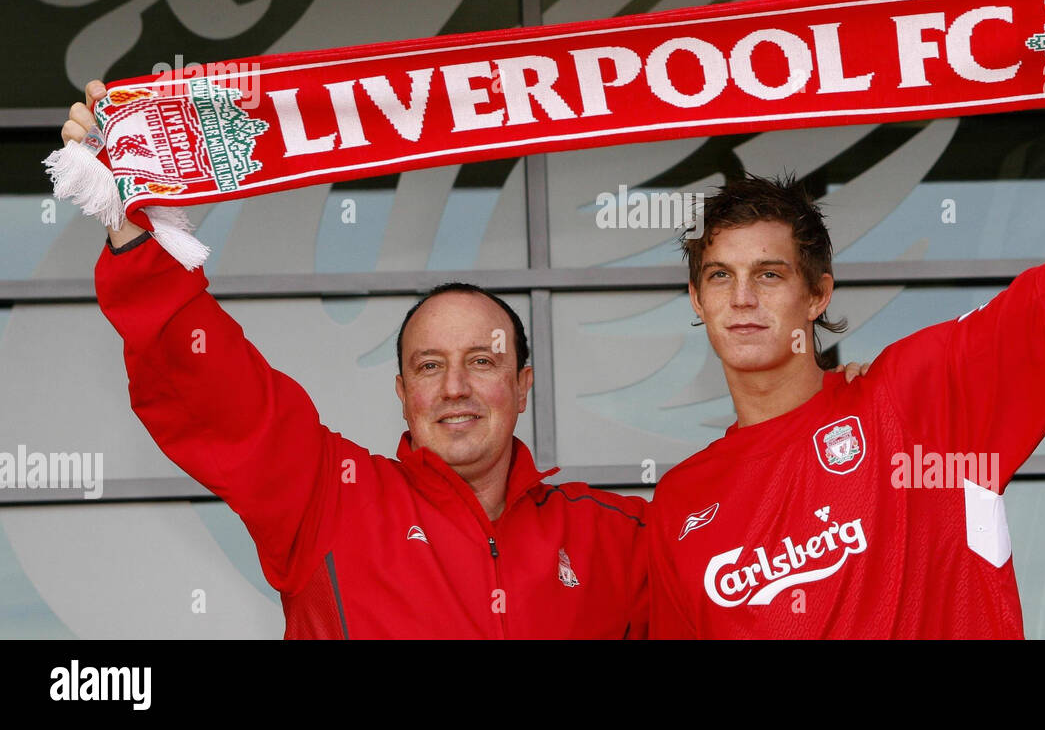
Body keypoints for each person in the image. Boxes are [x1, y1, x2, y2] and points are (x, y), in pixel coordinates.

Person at [644, 0, 1045, 638]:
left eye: (769, 275)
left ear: (817, 294)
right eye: (719, 276)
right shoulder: (682, 502)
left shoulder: (920, 396)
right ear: (695, 297)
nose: (741, 297)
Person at [66, 87, 647, 639]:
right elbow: (219, 394)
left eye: (481, 361)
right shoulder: (329, 499)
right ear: (402, 391)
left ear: (523, 386)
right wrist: (133, 226)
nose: (454, 388)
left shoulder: (618, 535)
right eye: (428, 366)